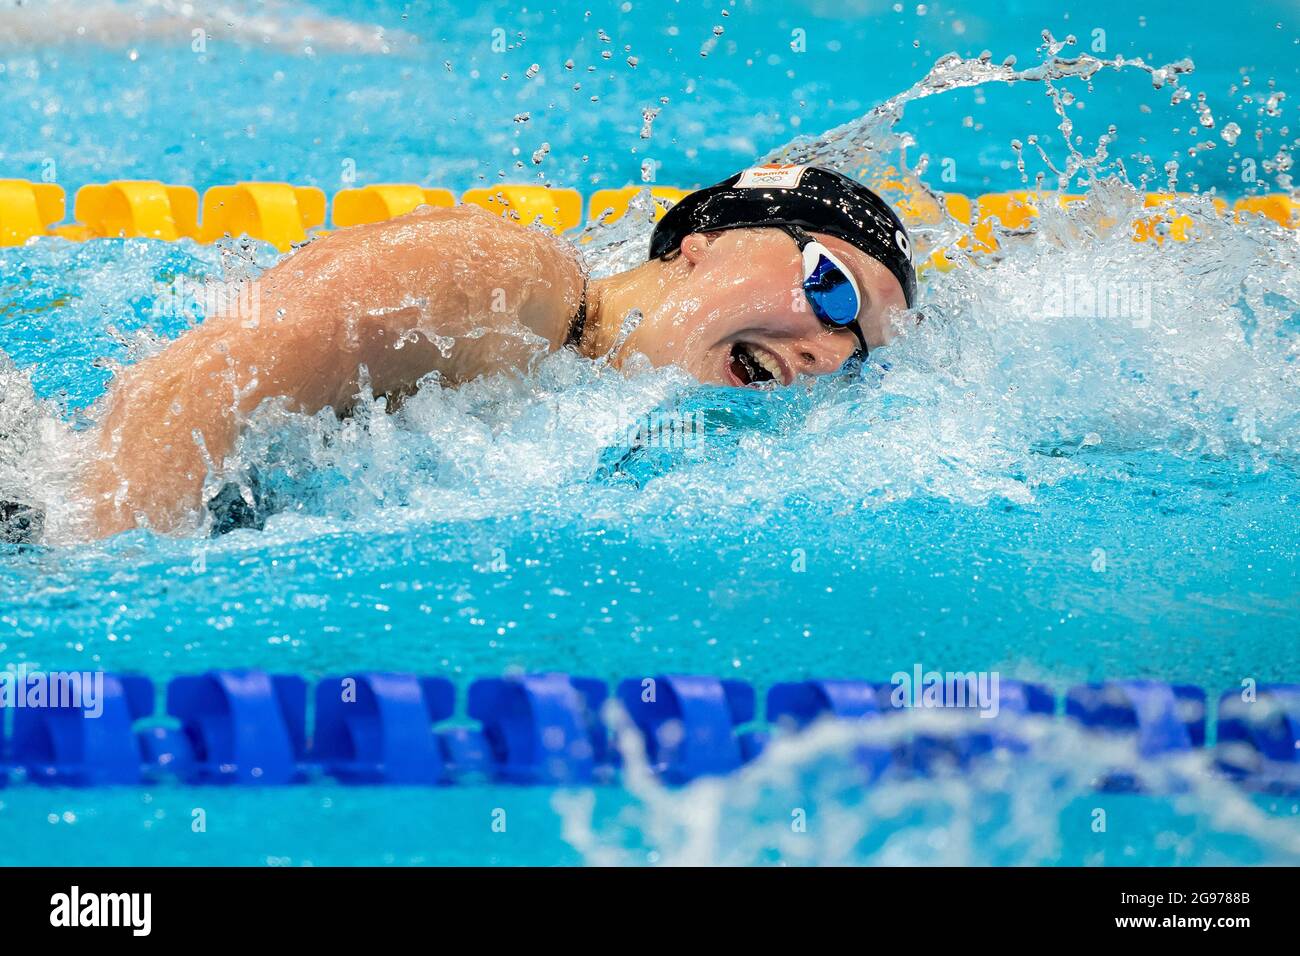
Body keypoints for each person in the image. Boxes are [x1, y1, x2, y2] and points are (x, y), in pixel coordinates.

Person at [40, 163, 917, 541]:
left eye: (860, 350)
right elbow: (185, 390)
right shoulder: (506, 281)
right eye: (831, 287)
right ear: (705, 242)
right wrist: (99, 614)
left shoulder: (583, 402)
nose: (830, 354)